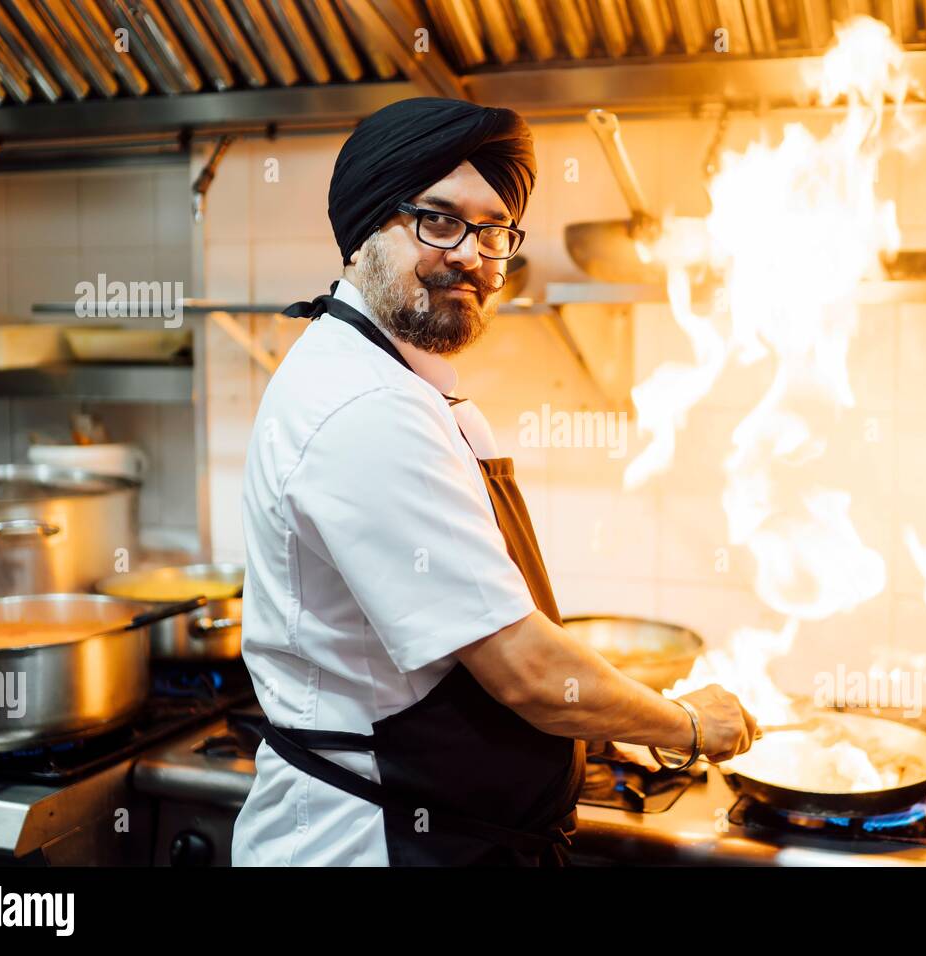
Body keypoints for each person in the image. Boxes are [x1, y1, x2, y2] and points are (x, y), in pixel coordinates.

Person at [232, 97, 756, 866]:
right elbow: (527, 669)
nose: (472, 254)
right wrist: (685, 725)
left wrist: (611, 719)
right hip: (373, 840)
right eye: (438, 221)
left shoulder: (399, 381)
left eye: (494, 230)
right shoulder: (368, 406)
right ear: (366, 228)